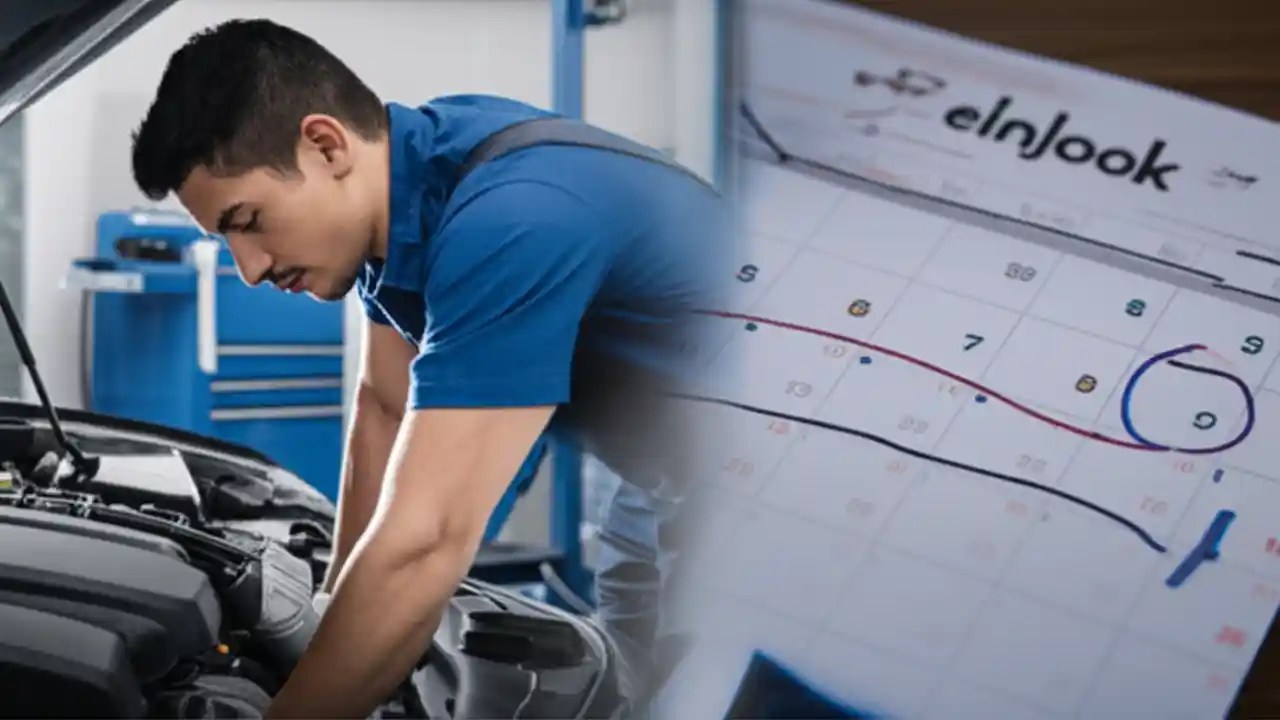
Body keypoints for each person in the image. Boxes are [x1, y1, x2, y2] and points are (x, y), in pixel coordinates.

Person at [129, 18, 730, 719]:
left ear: (325, 145)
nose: (251, 268)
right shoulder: (414, 186)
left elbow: (428, 543)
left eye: (249, 220)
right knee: (629, 697)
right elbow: (384, 407)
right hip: (655, 480)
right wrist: (326, 618)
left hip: (785, 487)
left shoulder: (510, 219)